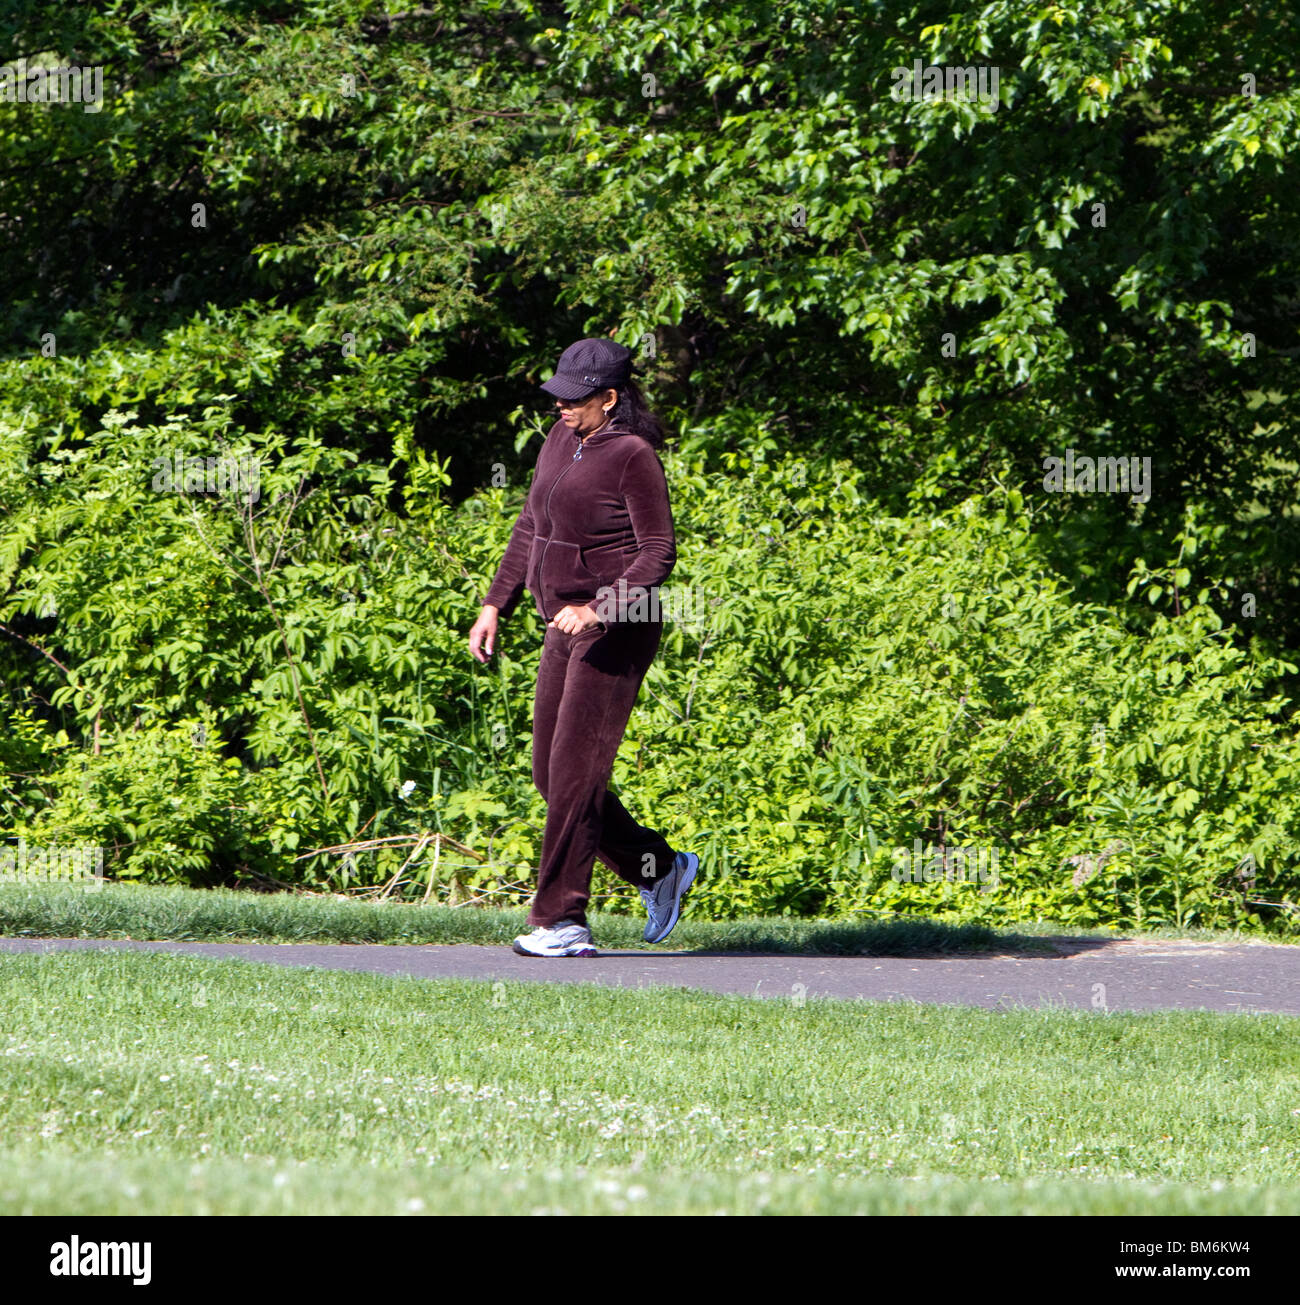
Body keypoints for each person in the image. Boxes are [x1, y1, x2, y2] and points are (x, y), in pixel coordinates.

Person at [467, 339, 699, 957]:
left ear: (610, 398)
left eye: (575, 399)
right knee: (551, 774)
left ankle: (561, 921)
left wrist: (599, 607)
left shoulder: (632, 456)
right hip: (560, 624)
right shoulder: (558, 440)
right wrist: (496, 603)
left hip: (617, 627)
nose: (562, 407)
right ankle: (658, 867)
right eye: (559, 396)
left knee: (575, 776)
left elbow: (658, 552)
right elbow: (530, 527)